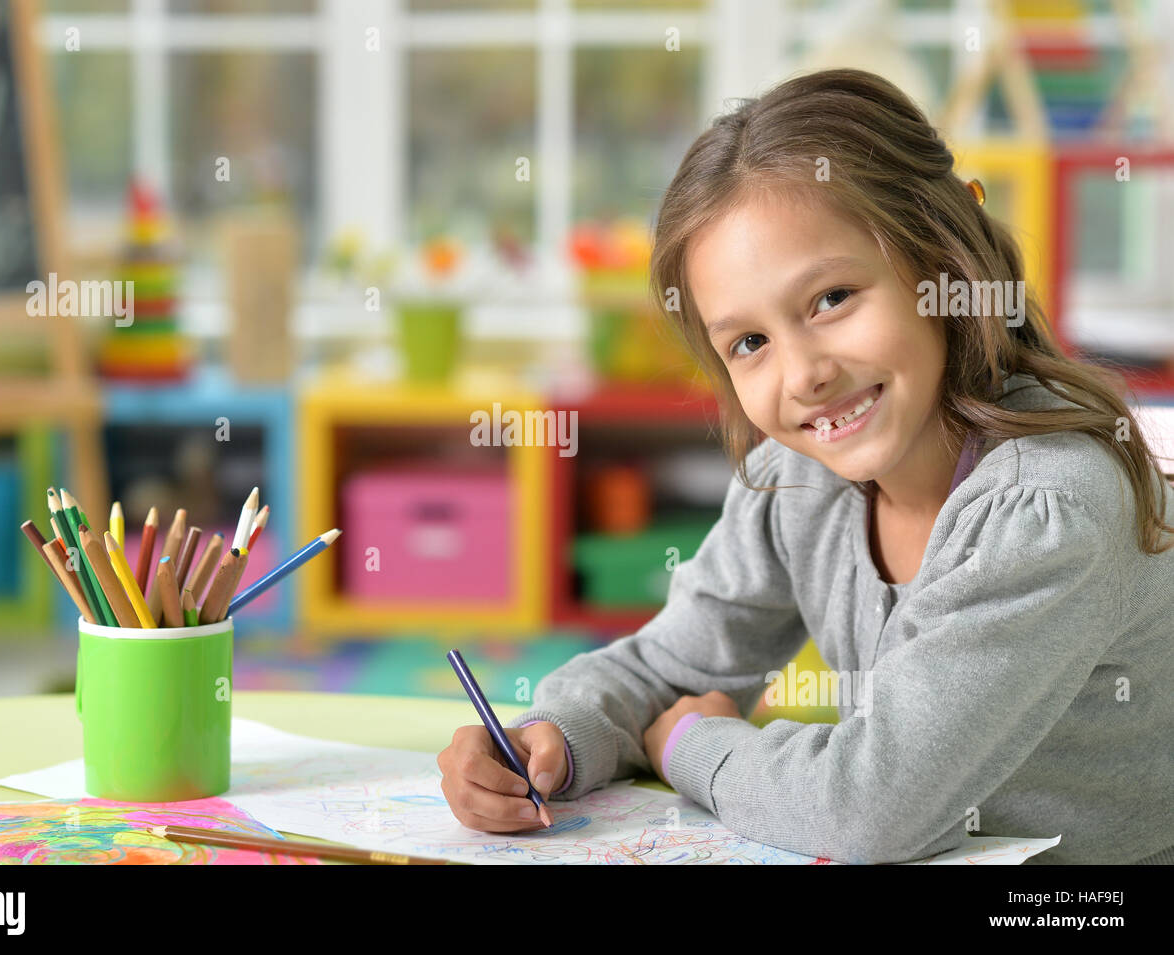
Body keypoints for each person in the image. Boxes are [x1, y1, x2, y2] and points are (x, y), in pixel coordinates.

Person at [437, 68, 1174, 864]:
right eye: (749, 343)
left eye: (831, 299)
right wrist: (554, 738)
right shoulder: (800, 478)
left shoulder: (1048, 507)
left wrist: (692, 742)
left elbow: (870, 808)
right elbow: (673, 660)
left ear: (945, 261)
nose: (803, 375)